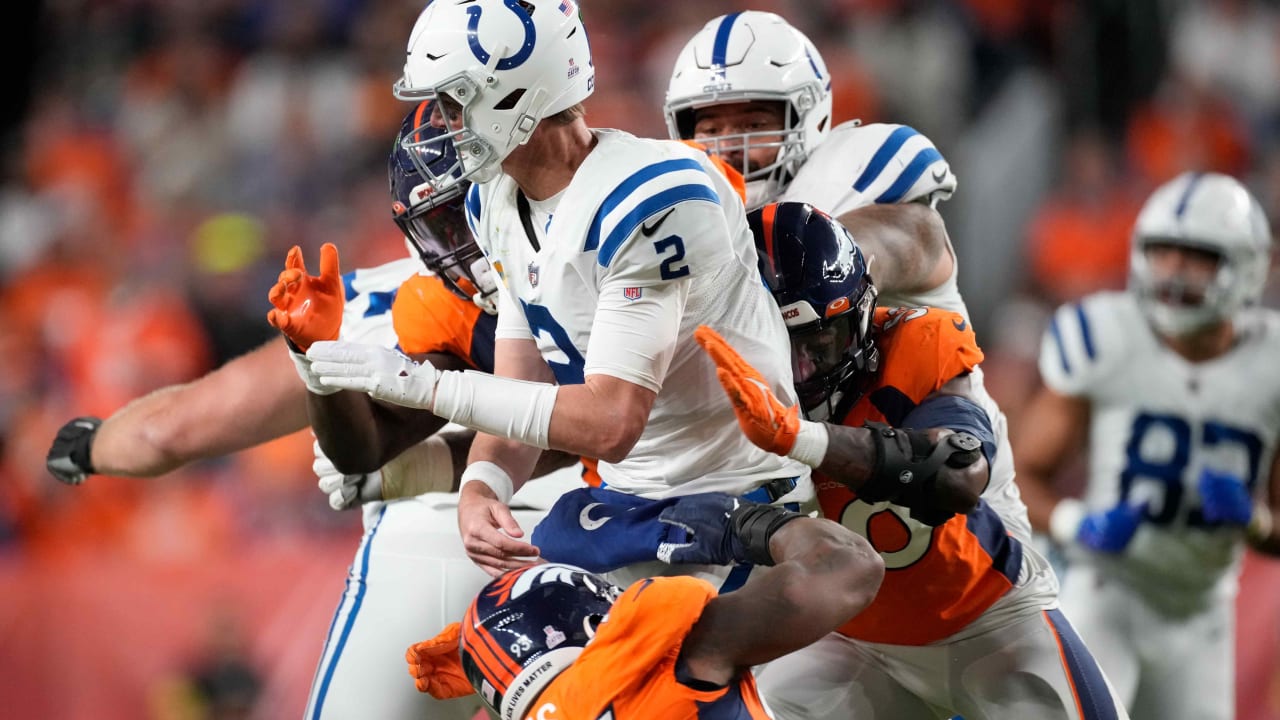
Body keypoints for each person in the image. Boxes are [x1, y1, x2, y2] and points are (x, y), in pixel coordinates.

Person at [44, 105, 580, 720]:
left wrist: (86, 446)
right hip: (609, 537)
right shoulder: (617, 251)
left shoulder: (383, 298)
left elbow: (172, 429)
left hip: (434, 543)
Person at [306, 0, 809, 583]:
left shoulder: (655, 197)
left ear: (514, 95)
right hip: (634, 505)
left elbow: (610, 425)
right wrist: (481, 485)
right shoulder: (494, 198)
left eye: (451, 101)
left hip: (741, 505)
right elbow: (521, 388)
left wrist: (426, 388)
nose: (440, 123)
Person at [697, 202, 1128, 719]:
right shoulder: (714, 392)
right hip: (852, 641)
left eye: (817, 343)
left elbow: (956, 473)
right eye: (776, 347)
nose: (800, 371)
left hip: (989, 619)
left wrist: (803, 439)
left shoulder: (918, 343)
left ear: (858, 315)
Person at [1014, 171, 1280, 720]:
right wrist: (1076, 523)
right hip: (1109, 588)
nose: (1174, 273)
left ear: (1250, 265)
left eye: (1197, 257)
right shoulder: (1109, 339)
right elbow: (1019, 476)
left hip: (1203, 612)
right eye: (1163, 253)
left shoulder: (1271, 366)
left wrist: (1255, 522)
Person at [404, 496, 885, 720]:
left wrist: (484, 646)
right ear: (594, 622)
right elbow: (852, 567)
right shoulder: (685, 660)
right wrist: (746, 521)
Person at [664, 11, 961, 318]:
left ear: (808, 116)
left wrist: (835, 252)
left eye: (753, 125)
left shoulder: (846, 172)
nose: (727, 148)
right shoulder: (680, 220)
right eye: (711, 130)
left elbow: (916, 235)